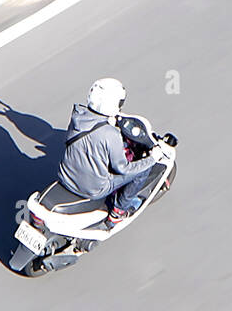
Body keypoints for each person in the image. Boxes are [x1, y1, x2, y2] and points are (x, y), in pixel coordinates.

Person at [57, 78, 160, 225]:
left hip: (65, 177)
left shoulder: (77, 115)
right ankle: (118, 212)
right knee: (142, 170)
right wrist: (152, 158)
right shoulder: (110, 134)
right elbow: (123, 168)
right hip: (94, 189)